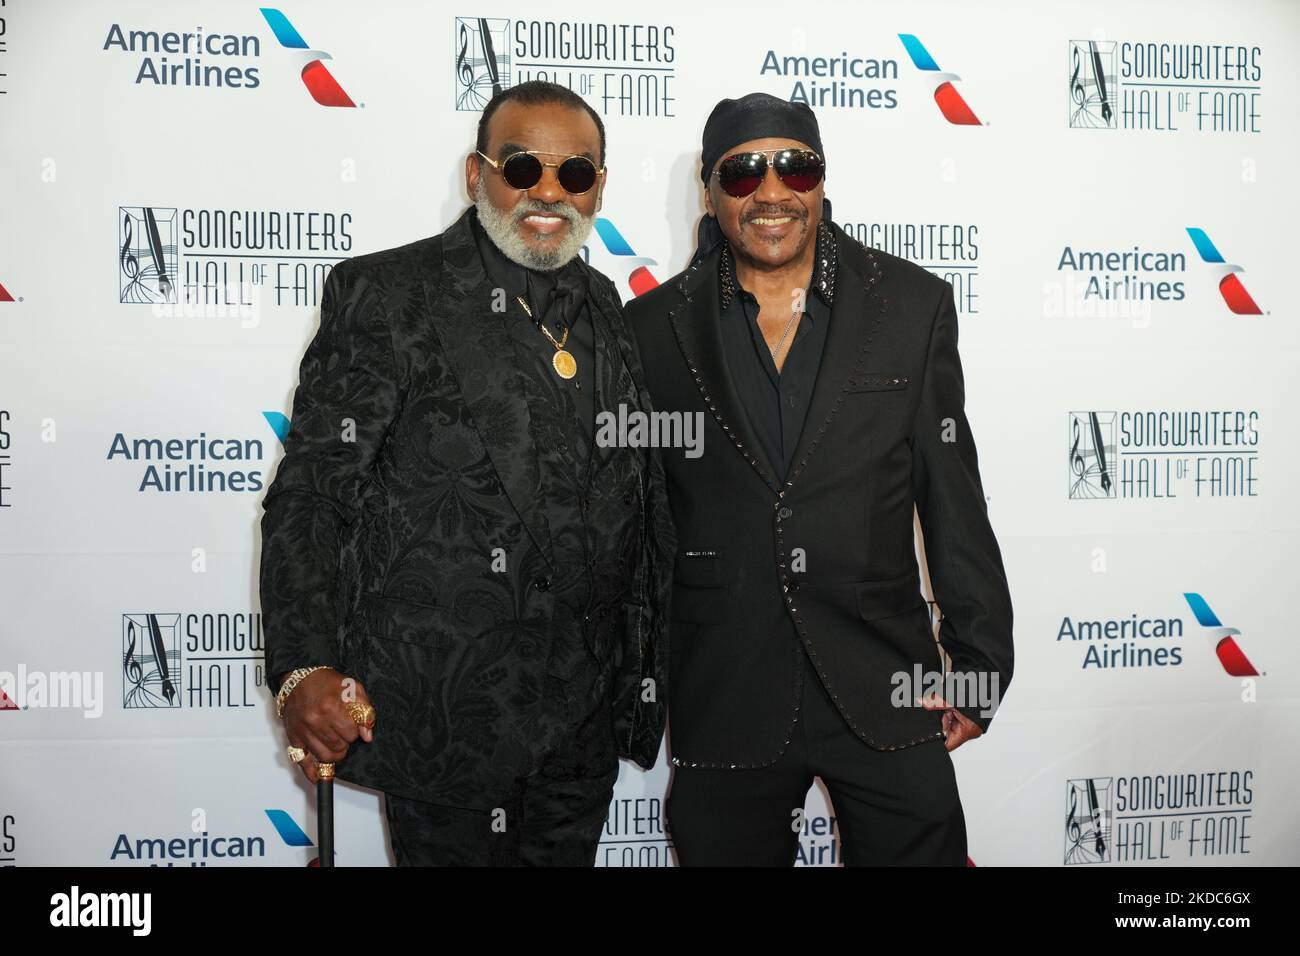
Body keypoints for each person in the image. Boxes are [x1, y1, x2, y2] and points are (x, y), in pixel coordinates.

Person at [259, 80, 674, 866]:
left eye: (575, 174)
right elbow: (313, 492)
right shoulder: (387, 294)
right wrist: (303, 665)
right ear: (476, 174)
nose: (548, 191)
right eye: (522, 167)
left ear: (600, 189)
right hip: (441, 716)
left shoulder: (606, 305)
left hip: (579, 730)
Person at [624, 92, 1013, 866]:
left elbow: (951, 491)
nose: (772, 192)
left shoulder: (910, 305)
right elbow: (637, 525)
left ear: (821, 179)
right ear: (708, 190)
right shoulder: (651, 329)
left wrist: (978, 663)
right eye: (742, 174)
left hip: (884, 679)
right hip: (724, 686)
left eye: (794, 166)